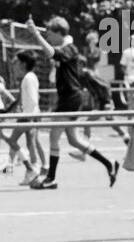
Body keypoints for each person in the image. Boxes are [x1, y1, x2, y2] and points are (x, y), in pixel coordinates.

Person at [25, 16, 120, 190]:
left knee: (54, 136)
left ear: (60, 33)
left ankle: (51, 178)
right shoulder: (65, 46)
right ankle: (109, 163)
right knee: (74, 140)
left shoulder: (71, 49)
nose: (49, 38)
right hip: (69, 98)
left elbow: (52, 53)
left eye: (51, 34)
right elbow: (52, 52)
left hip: (71, 98)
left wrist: (36, 35)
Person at [6, 51, 44, 185]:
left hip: (28, 115)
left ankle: (31, 169)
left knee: (12, 140)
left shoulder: (28, 78)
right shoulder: (29, 77)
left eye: (16, 63)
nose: (14, 65)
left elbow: (33, 99)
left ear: (23, 64)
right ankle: (33, 172)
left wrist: (28, 115)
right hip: (30, 115)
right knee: (30, 143)